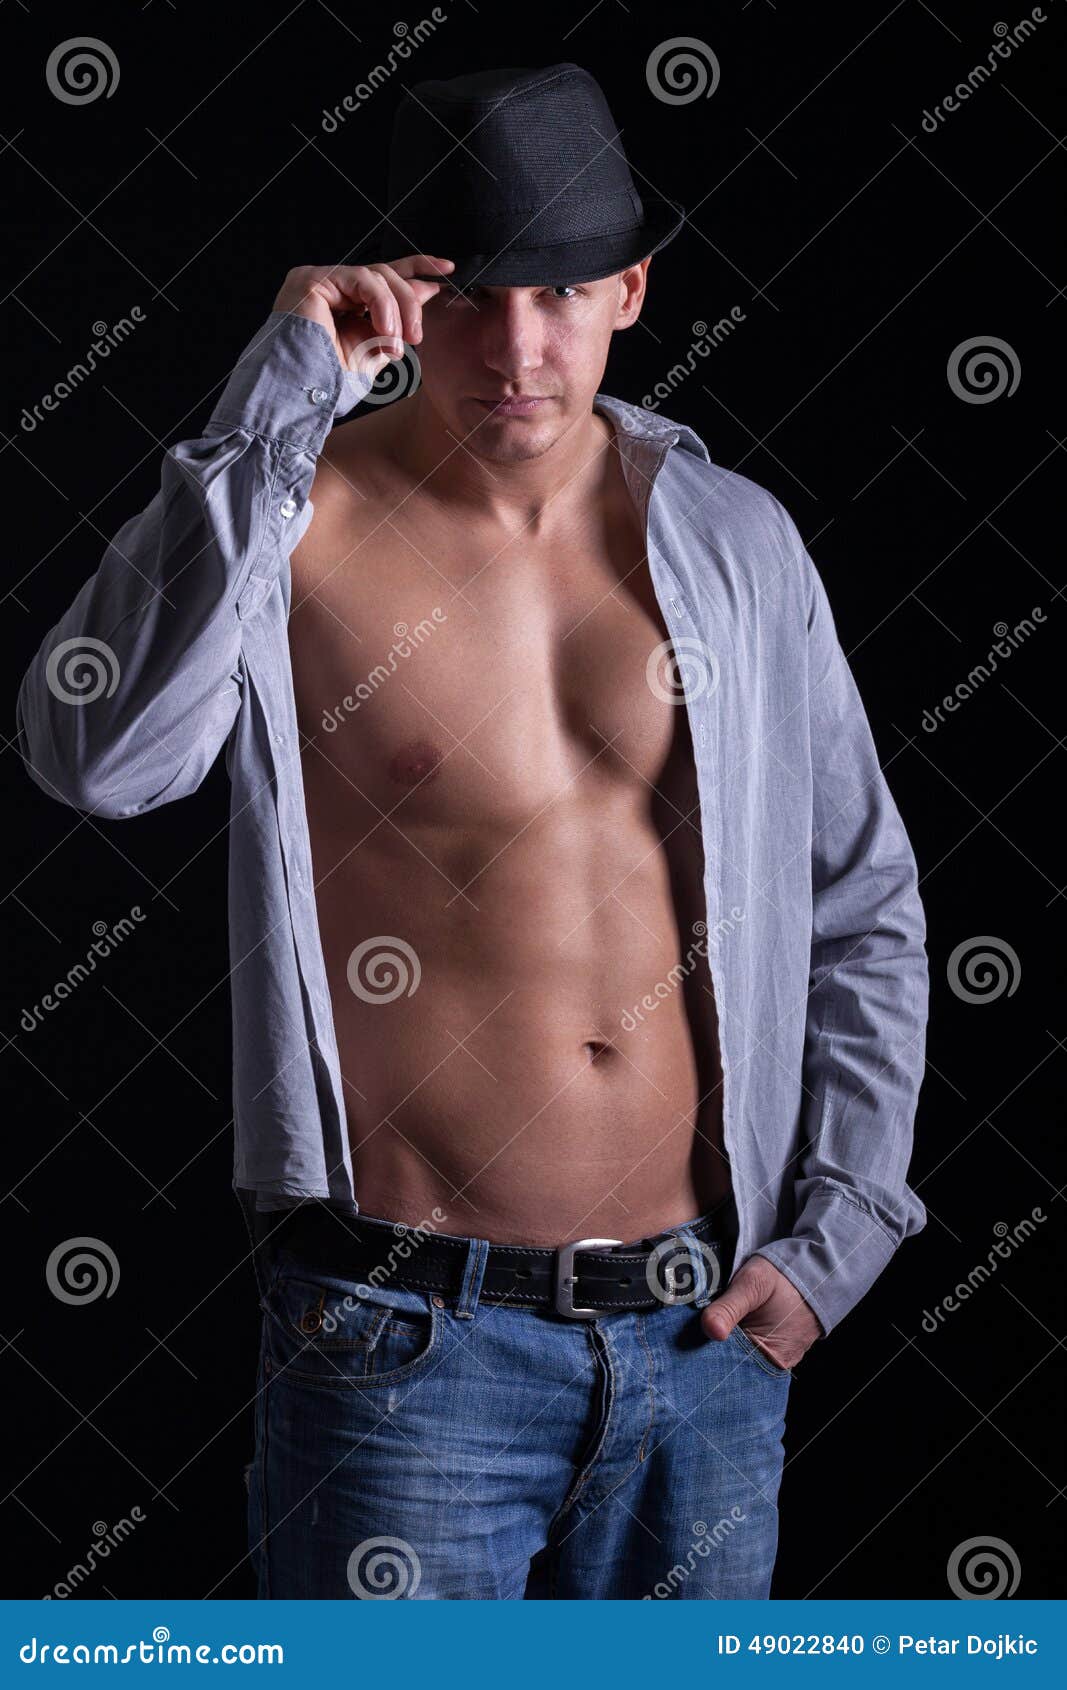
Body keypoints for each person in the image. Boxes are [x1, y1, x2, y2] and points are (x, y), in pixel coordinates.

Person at [15, 63, 929, 1600]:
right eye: (470, 297)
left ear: (631, 289)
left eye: (562, 293)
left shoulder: (739, 542)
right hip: (405, 1348)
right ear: (396, 297)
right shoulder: (302, 522)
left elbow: (863, 903)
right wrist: (277, 398)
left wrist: (836, 1237)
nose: (518, 349)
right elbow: (95, 756)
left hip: (704, 1339)